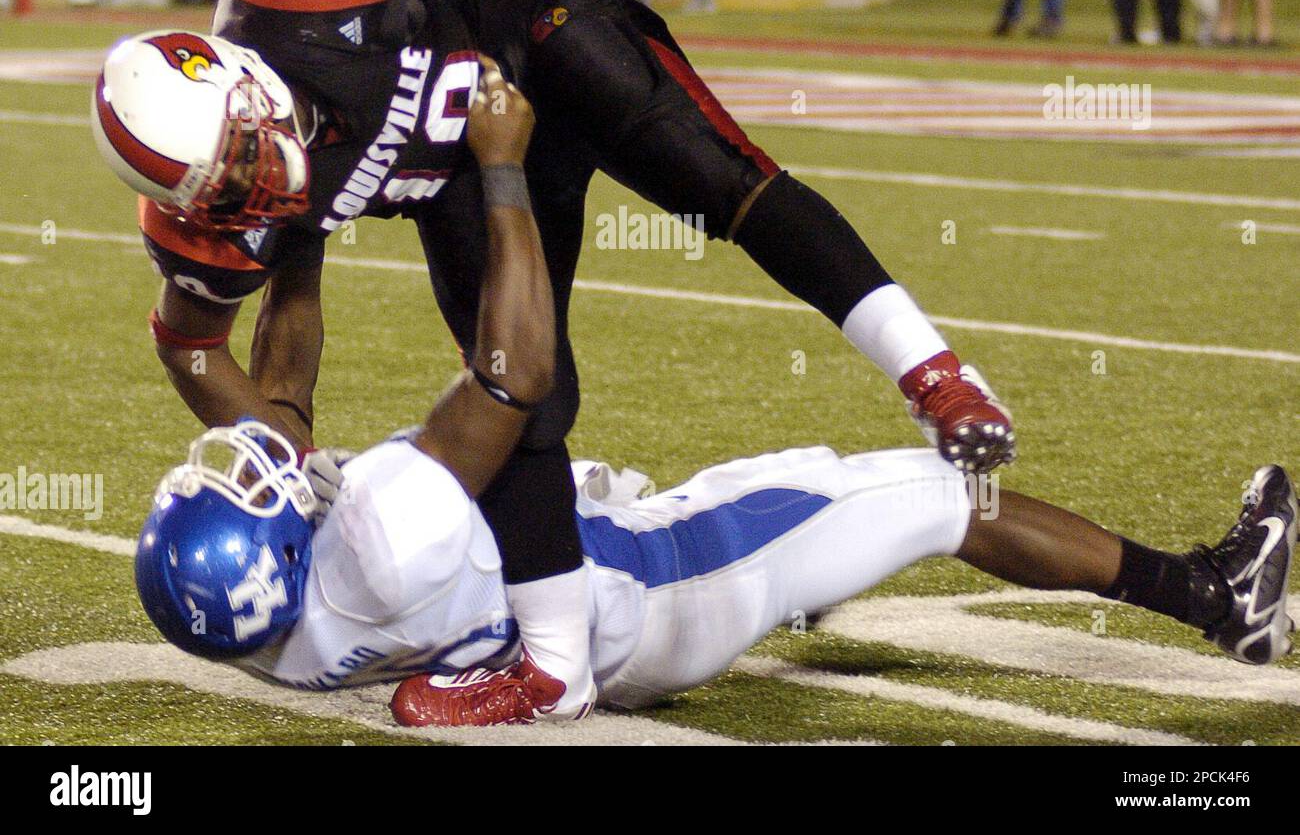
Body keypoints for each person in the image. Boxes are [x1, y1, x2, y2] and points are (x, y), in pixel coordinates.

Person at [93, 0, 1015, 723]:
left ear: (242, 85)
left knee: (724, 181)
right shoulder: (207, 222)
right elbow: (190, 342)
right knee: (520, 388)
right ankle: (555, 660)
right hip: (464, 170)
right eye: (219, 186)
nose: (247, 187)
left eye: (243, 154)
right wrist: (281, 454)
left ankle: (935, 373)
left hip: (529, 38)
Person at [133, 201, 1297, 720]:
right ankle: (1212, 593)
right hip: (655, 586)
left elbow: (278, 401)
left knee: (812, 501)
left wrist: (300, 238)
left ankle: (815, 581)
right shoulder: (382, 536)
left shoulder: (276, 625)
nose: (262, 461)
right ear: (286, 548)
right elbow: (514, 373)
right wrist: (503, 179)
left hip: (581, 577)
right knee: (943, 493)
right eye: (259, 491)